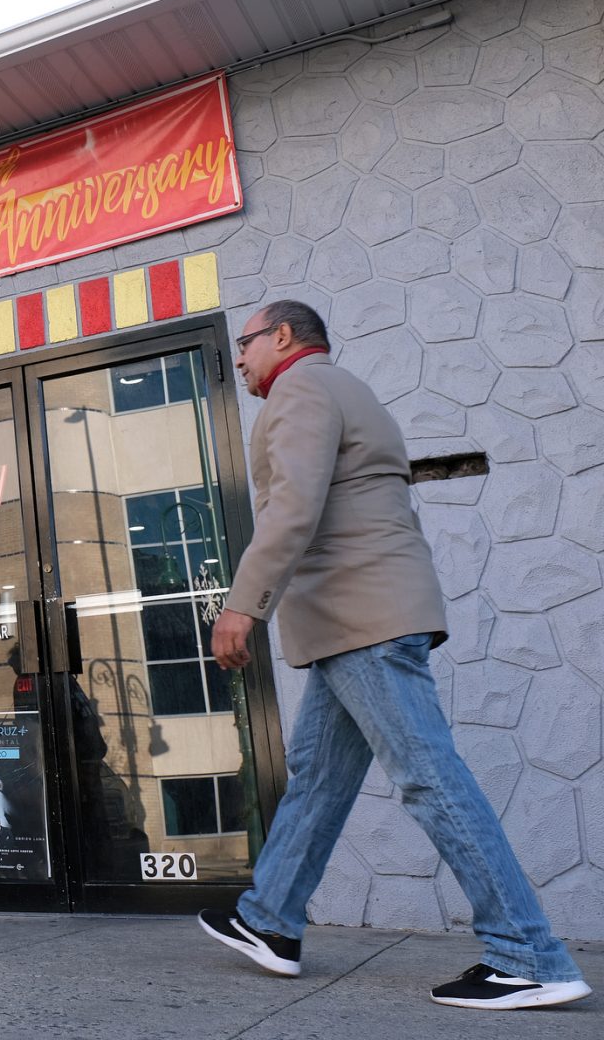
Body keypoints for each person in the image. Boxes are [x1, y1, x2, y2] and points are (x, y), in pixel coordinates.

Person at [197, 301, 590, 1011]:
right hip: (359, 617)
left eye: (246, 343)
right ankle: (270, 920)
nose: (241, 357)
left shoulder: (303, 388)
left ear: (282, 336)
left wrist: (240, 605)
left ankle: (529, 954)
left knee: (429, 779)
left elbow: (293, 506)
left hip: (362, 617)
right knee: (319, 778)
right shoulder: (339, 386)